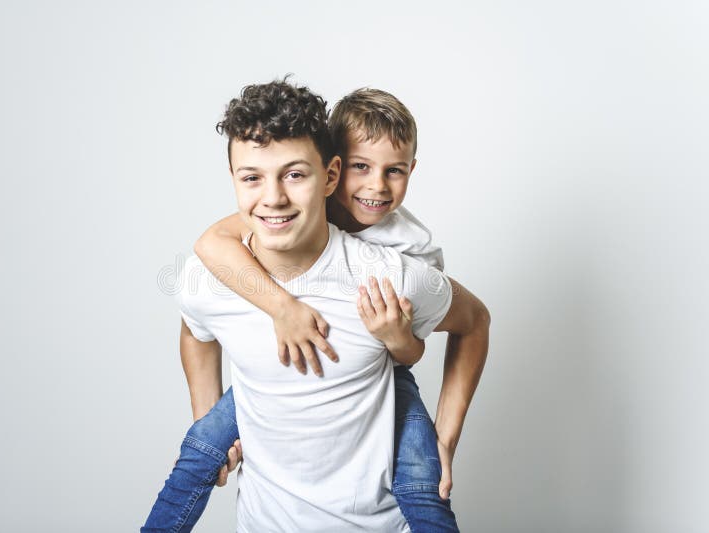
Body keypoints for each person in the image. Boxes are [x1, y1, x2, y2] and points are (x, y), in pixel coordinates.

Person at [142, 80, 489, 532]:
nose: (273, 198)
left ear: (327, 175)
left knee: (423, 481)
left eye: (294, 174)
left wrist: (440, 428)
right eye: (252, 177)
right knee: (200, 448)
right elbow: (198, 316)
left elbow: (461, 324)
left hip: (389, 366)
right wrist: (281, 309)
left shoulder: (399, 261)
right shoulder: (220, 267)